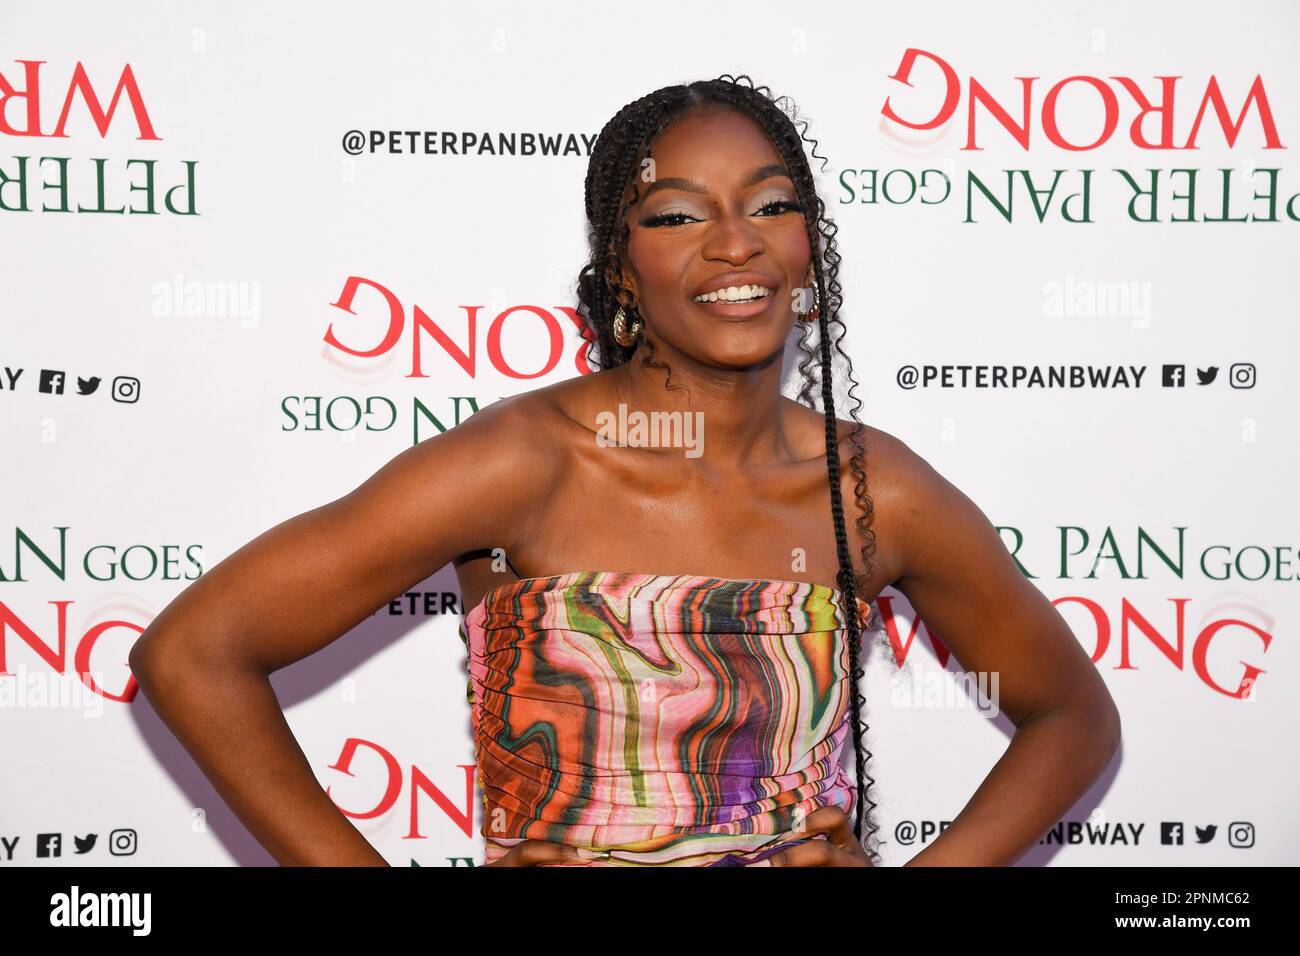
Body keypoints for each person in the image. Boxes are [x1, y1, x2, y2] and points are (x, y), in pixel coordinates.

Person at [129, 74, 1121, 868]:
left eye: (772, 204)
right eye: (678, 216)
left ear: (809, 248)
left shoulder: (873, 488)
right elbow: (194, 652)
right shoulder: (526, 461)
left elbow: (1071, 715)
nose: (736, 242)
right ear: (617, 269)